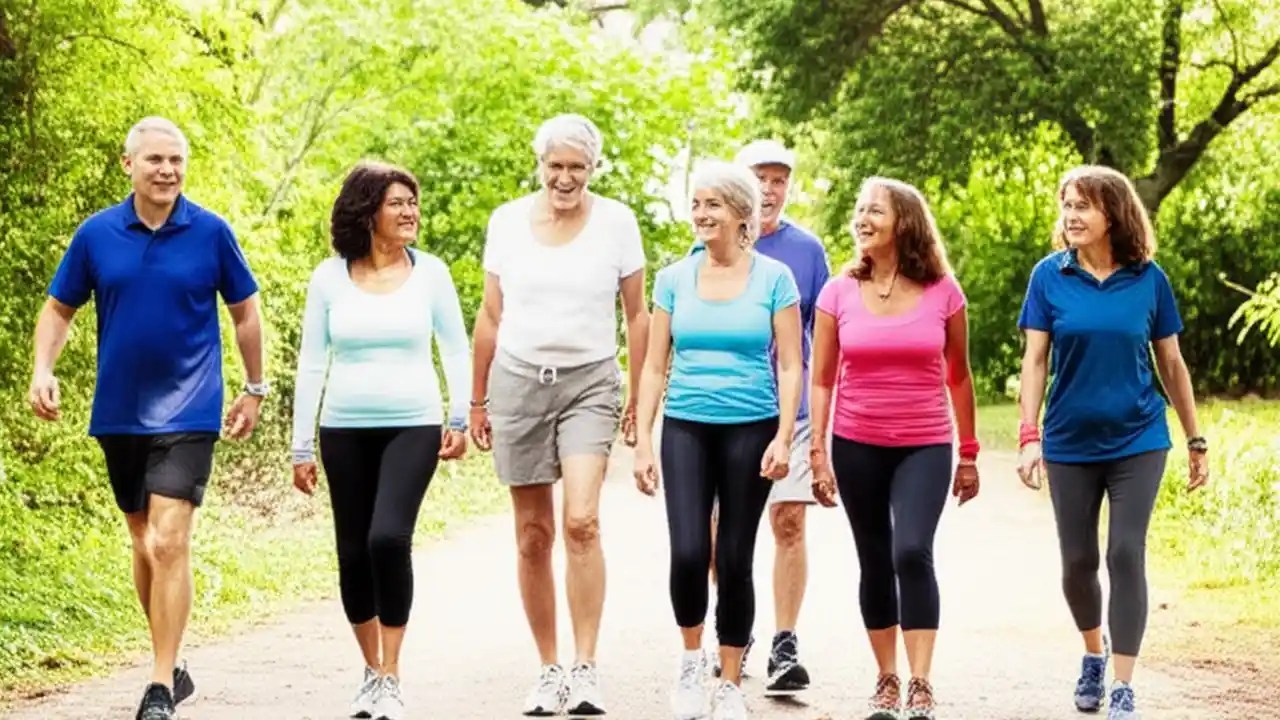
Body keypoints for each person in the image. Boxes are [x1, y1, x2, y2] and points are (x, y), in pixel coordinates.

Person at [27, 116, 265, 720]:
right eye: (155, 160)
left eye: (176, 160)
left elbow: (244, 312)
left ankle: (158, 686)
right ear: (128, 164)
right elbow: (59, 309)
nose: (167, 171)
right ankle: (173, 657)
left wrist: (254, 386)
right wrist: (42, 369)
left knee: (169, 538)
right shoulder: (97, 235)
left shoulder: (211, 232)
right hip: (120, 411)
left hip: (191, 406)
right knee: (144, 543)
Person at [468, 113, 649, 717]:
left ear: (592, 169)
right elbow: (491, 316)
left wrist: (639, 405)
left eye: (577, 167)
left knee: (580, 522)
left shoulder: (618, 223)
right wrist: (476, 399)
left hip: (590, 384)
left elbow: (637, 316)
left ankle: (586, 667)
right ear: (540, 165)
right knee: (532, 535)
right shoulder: (507, 222)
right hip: (518, 383)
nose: (565, 178)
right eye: (556, 166)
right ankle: (548, 669)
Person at [1015, 165, 1207, 720]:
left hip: (1138, 437)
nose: (1071, 216)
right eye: (1066, 205)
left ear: (1113, 215)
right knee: (1077, 562)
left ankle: (1122, 684)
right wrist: (1029, 435)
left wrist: (1195, 439)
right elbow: (1034, 360)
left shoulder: (1149, 279)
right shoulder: (1049, 277)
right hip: (1069, 440)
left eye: (1083, 206)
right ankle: (1092, 653)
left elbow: (1171, 362)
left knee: (1125, 552)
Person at [289, 161, 471, 720]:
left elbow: (455, 347)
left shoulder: (431, 273)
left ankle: (391, 673)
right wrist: (300, 445)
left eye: (413, 202)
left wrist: (459, 418)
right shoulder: (328, 277)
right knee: (351, 552)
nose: (410, 212)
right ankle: (370, 670)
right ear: (367, 211)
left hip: (413, 423)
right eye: (397, 203)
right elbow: (313, 362)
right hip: (342, 427)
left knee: (387, 539)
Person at [634, 159, 803, 720]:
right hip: (685, 424)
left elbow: (790, 366)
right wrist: (641, 438)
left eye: (713, 205)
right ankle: (690, 663)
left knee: (734, 555)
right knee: (688, 551)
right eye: (697, 205)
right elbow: (656, 364)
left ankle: (730, 681)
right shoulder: (672, 279)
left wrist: (783, 437)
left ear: (740, 214)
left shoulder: (774, 279)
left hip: (751, 427)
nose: (702, 215)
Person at [809, 176, 980, 720]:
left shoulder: (944, 292)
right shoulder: (837, 293)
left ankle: (921, 683)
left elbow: (959, 375)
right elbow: (822, 380)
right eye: (859, 210)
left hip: (925, 443)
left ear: (904, 221)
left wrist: (970, 452)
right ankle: (886, 678)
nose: (862, 219)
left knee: (911, 551)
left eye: (874, 211)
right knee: (875, 558)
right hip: (855, 441)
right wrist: (816, 450)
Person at [704, 139, 829, 694]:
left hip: (791, 414)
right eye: (760, 177)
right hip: (723, 414)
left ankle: (784, 641)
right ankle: (736, 621)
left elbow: (829, 338)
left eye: (780, 179)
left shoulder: (808, 251)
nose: (770, 189)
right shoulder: (705, 249)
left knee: (789, 521)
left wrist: (826, 417)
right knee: (719, 534)